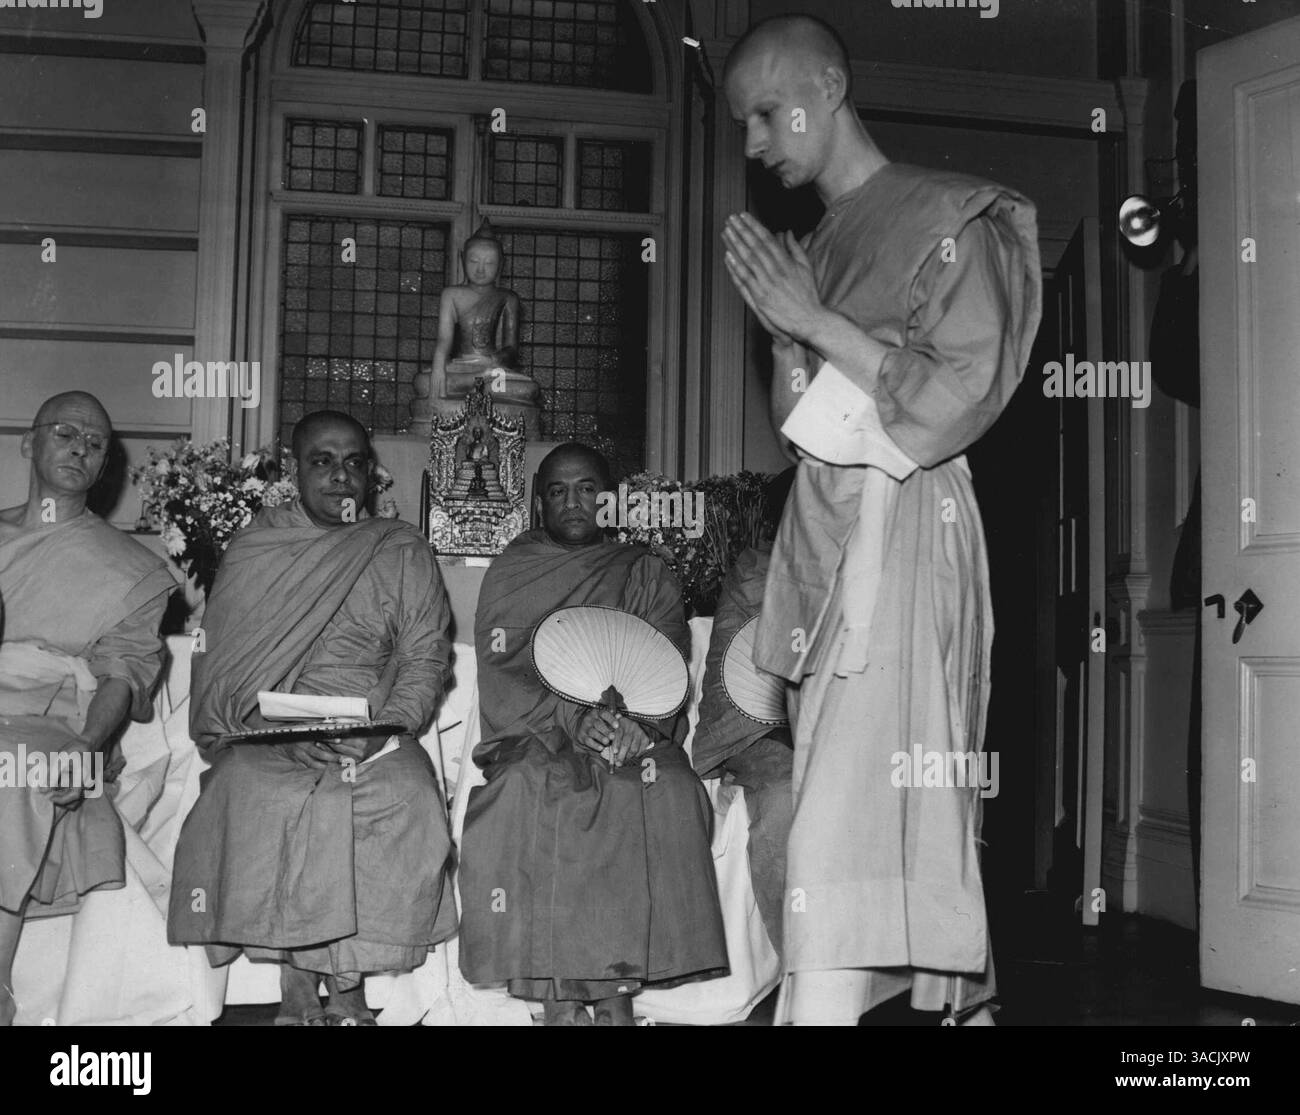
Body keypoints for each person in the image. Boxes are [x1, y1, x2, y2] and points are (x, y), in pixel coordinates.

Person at [722, 14, 1041, 1025]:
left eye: (767, 112)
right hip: (826, 534)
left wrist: (815, 322)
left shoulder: (951, 213)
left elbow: (961, 395)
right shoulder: (809, 246)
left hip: (906, 525)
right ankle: (959, 1005)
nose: (753, 143)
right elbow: (800, 430)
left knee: (844, 817)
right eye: (742, 123)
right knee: (853, 802)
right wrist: (788, 336)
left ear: (830, 82)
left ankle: (833, 1001)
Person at [167, 410, 457, 1026]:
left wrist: (382, 729)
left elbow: (424, 655)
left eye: (353, 462)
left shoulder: (398, 547)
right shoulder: (258, 546)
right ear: (294, 468)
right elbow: (221, 663)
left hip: (370, 728)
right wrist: (268, 728)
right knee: (246, 788)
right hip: (269, 730)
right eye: (322, 461)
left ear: (370, 475)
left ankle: (344, 983)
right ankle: (299, 982)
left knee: (406, 794)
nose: (340, 477)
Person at [458, 442, 727, 1025]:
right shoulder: (515, 569)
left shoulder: (644, 569)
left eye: (587, 489)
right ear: (539, 504)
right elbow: (501, 667)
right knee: (527, 790)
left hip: (631, 734)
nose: (573, 502)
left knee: (661, 788)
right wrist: (571, 718)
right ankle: (556, 995)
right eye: (557, 491)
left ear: (609, 500)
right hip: (534, 734)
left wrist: (641, 725)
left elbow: (665, 663)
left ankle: (613, 994)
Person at [0, 391, 174, 1026]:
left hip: (52, 722)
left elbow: (122, 673)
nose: (79, 447)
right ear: (28, 441)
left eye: (95, 443)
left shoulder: (127, 566)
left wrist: (88, 746)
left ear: (106, 465)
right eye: (66, 432)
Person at [691, 469, 794, 956]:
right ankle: (807, 969)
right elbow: (735, 678)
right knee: (785, 800)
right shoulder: (757, 567)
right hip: (767, 735)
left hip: (849, 734)